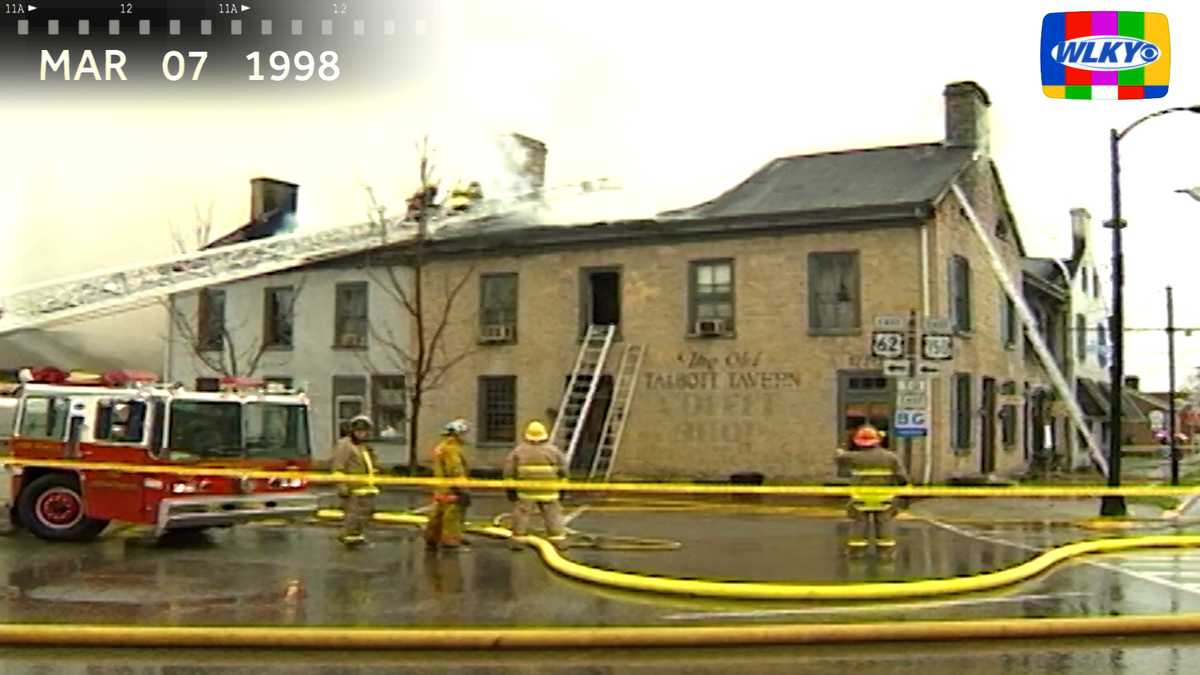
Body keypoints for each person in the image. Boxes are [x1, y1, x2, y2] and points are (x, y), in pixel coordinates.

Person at [834, 425, 909, 556]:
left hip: (861, 498)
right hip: (884, 498)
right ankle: (886, 552)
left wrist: (844, 445)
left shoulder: (853, 457)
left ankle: (856, 551)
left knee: (859, 525)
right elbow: (902, 478)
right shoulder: (891, 457)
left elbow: (839, 458)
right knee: (884, 525)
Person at [504, 420, 568, 550]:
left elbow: (509, 471)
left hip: (526, 490)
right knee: (553, 515)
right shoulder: (553, 451)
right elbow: (564, 469)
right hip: (548, 489)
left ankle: (518, 541)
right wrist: (563, 487)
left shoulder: (519, 451)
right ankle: (558, 541)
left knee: (522, 515)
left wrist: (510, 489)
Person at [330, 415, 380, 548]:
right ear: (352, 431)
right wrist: (342, 486)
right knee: (353, 516)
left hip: (366, 488)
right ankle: (348, 538)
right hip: (353, 489)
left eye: (364, 431)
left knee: (363, 516)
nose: (362, 434)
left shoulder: (363, 447)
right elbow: (338, 467)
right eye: (358, 431)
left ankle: (356, 537)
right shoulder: (345, 445)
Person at [424, 418, 472, 551]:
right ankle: (451, 543)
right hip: (452, 490)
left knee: (438, 515)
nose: (466, 436)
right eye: (464, 433)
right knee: (452, 517)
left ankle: (432, 539)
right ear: (457, 434)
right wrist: (463, 489)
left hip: (441, 488)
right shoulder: (452, 449)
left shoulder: (442, 447)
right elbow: (455, 470)